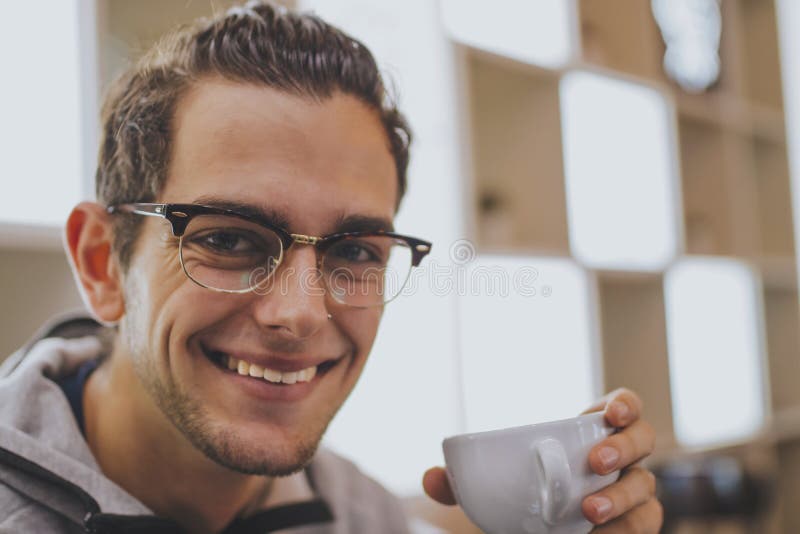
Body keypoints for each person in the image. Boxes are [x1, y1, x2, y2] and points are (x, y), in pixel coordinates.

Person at [0, 2, 661, 532]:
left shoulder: (359, 513)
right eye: (230, 240)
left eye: (352, 251)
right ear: (102, 264)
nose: (300, 314)